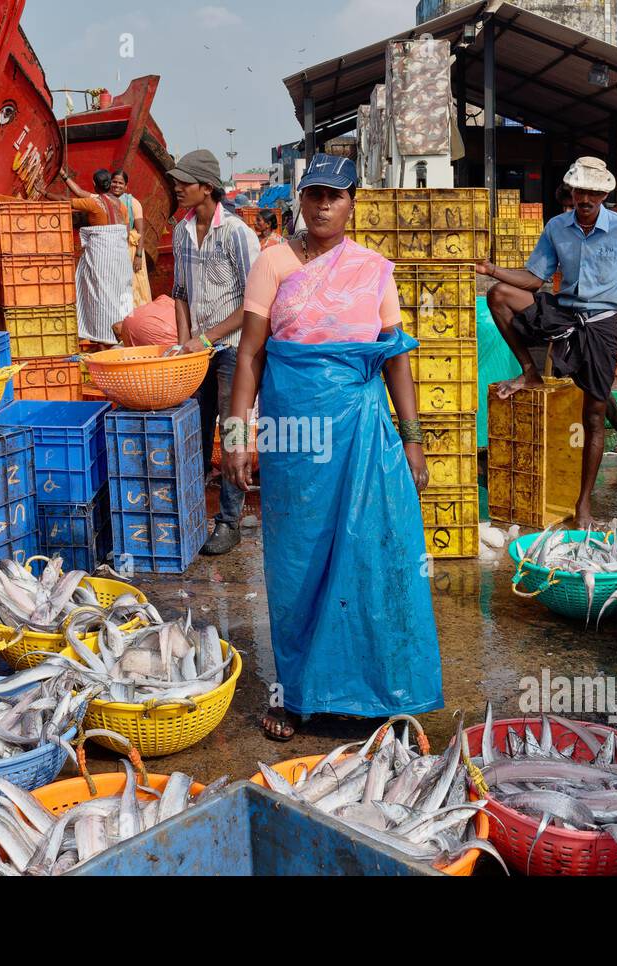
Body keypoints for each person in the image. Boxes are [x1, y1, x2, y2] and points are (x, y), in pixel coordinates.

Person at [223, 153, 441, 741]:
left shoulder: (374, 269)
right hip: (294, 440)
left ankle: (379, 694)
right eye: (314, 193)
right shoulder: (272, 262)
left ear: (352, 203)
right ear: (300, 198)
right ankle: (295, 696)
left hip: (363, 433)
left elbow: (395, 357)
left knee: (373, 556)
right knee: (297, 563)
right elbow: (249, 355)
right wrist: (237, 437)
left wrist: (412, 439)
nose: (323, 205)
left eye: (335, 195)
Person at [478, 157, 617, 526]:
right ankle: (530, 372)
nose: (585, 198)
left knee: (592, 412)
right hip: (564, 310)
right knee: (498, 295)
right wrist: (491, 269)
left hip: (603, 323)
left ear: (604, 193)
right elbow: (533, 278)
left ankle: (584, 506)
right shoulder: (557, 227)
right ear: (572, 193)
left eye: (592, 192)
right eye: (579, 191)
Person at [169, 149, 260, 556]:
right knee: (195, 431)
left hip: (232, 349)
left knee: (233, 431)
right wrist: (185, 341)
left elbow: (254, 303)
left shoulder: (237, 233)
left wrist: (206, 339)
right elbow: (180, 294)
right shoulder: (180, 232)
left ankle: (229, 520)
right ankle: (192, 514)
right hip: (198, 351)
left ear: (207, 188)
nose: (177, 187)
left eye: (184, 182)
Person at [56, 168, 133, 344]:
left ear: (94, 184)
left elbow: (64, 201)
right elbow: (125, 231)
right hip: (120, 257)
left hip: (102, 256)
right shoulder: (120, 205)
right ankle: (123, 334)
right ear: (110, 185)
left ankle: (102, 338)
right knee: (119, 294)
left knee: (99, 295)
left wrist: (44, 192)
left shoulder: (93, 203)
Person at [110, 169, 152, 309]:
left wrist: (139, 256)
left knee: (135, 286)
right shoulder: (106, 199)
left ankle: (136, 321)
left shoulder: (133, 202)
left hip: (131, 251)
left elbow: (140, 231)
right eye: (114, 182)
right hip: (113, 250)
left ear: (126, 186)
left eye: (120, 183)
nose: (117, 185)